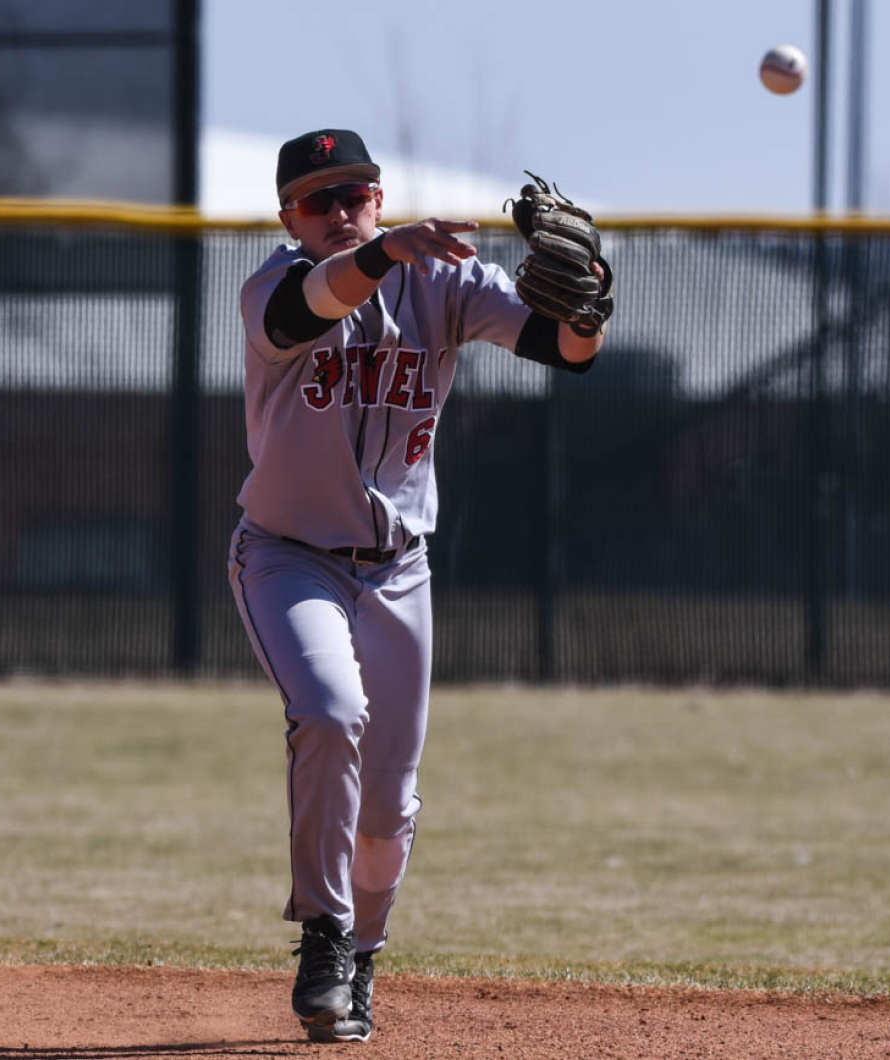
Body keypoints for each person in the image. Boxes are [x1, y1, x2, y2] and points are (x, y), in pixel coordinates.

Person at [225, 128, 607, 1044]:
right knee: (327, 711)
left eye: (357, 189)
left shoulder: (442, 282)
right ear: (290, 217)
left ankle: (360, 959)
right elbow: (305, 312)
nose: (343, 206)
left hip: (399, 571)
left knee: (391, 804)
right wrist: (387, 248)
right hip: (287, 557)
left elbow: (562, 350)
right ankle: (322, 934)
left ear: (380, 193)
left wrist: (590, 313)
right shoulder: (270, 286)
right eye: (321, 198)